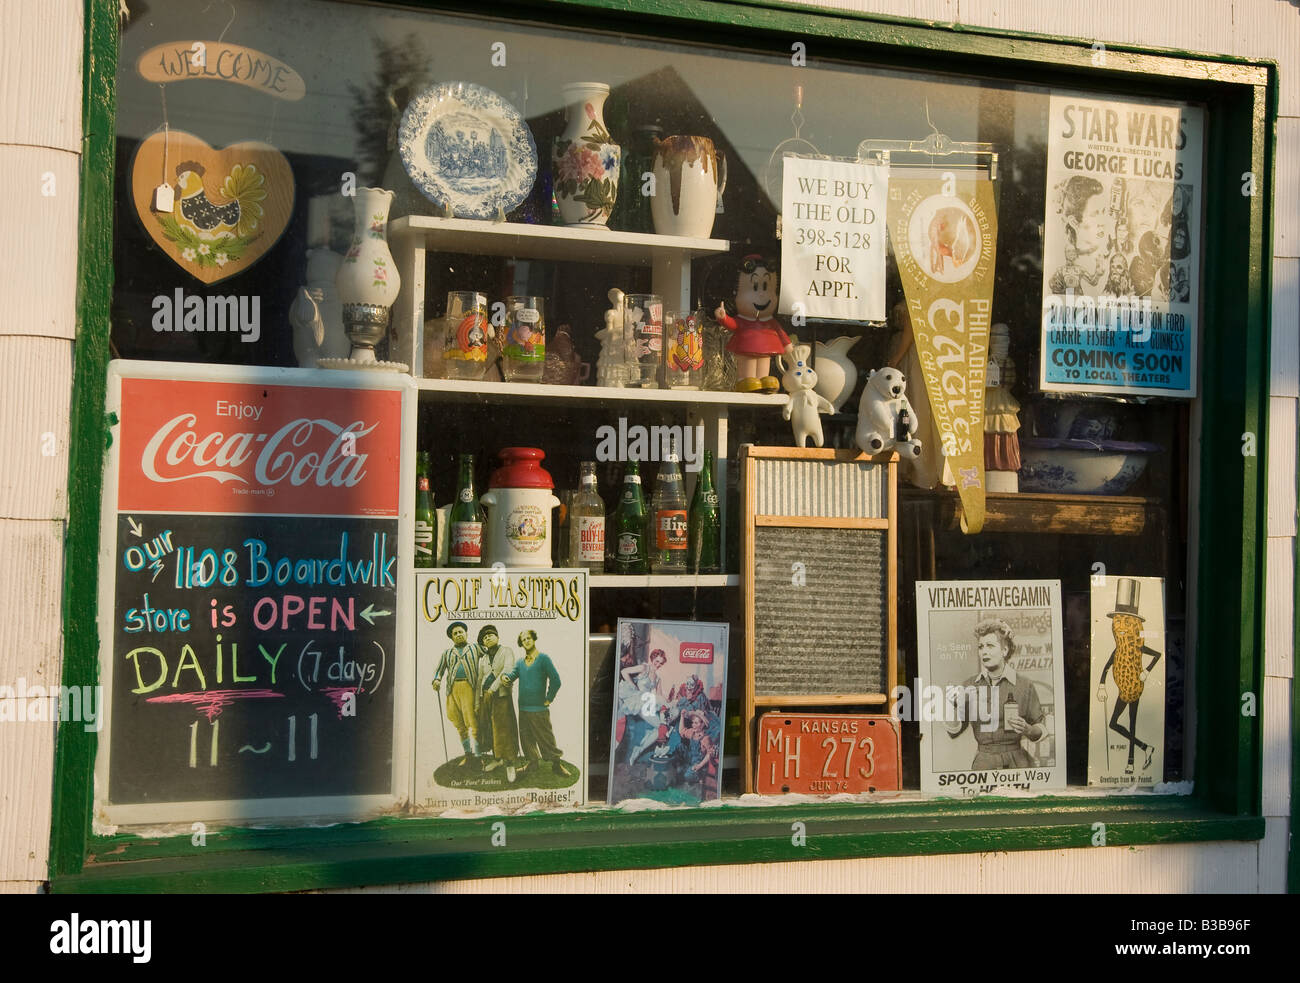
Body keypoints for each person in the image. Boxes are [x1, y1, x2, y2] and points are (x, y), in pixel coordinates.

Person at [945, 618, 1045, 770]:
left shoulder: (1025, 685)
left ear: (1004, 651)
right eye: (981, 646)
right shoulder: (969, 685)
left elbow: (1040, 728)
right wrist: (952, 706)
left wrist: (1028, 730)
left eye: (990, 646)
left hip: (1018, 763)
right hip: (984, 764)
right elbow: (954, 732)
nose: (984, 651)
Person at [713, 254, 793, 394]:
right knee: (748, 361)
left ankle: (763, 380)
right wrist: (723, 318)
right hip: (746, 345)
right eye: (755, 288)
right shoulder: (743, 320)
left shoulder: (770, 321)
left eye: (766, 289)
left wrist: (786, 343)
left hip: (766, 345)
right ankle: (745, 379)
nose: (761, 295)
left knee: (763, 361)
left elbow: (779, 331)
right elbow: (733, 325)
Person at [506, 629, 571, 777]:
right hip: (523, 708)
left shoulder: (543, 659)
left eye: (529, 638)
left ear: (534, 639)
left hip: (539, 708)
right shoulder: (520, 663)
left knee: (545, 738)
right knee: (526, 738)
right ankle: (532, 763)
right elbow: (512, 675)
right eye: (523, 640)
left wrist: (549, 698)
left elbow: (556, 680)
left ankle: (556, 764)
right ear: (521, 643)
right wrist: (505, 678)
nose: (526, 641)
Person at [432, 621, 482, 768]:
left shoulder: (475, 648)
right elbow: (439, 670)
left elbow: (491, 657)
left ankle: (478, 757)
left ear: (466, 633)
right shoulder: (447, 653)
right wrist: (436, 680)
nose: (459, 634)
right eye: (455, 633)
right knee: (459, 723)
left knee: (473, 723)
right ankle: (468, 755)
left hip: (469, 688)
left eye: (461, 631)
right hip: (452, 690)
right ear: (452, 638)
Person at [476, 624, 521, 782]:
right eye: (484, 637)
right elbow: (479, 680)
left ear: (497, 637)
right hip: (485, 698)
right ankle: (497, 759)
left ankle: (509, 764)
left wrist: (492, 689)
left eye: (490, 635)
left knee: (504, 729)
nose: (487, 638)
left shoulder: (506, 651)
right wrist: (478, 700)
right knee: (488, 727)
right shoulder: (483, 658)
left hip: (501, 696)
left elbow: (507, 670)